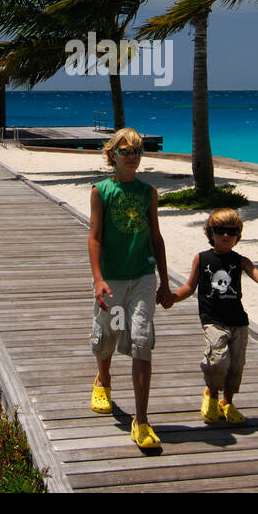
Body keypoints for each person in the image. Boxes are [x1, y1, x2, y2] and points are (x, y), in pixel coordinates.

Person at [88, 128, 171, 449]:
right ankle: (104, 380)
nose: (132, 156)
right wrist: (98, 279)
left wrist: (164, 280)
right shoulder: (101, 191)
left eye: (137, 151)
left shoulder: (148, 192)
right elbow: (94, 237)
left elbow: (157, 238)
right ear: (113, 155)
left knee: (141, 341)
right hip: (112, 277)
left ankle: (141, 420)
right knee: (106, 335)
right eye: (125, 151)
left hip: (142, 277)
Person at [166, 209, 258, 425]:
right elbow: (190, 288)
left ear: (238, 235)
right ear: (211, 233)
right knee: (217, 360)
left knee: (236, 366)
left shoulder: (240, 260)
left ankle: (227, 402)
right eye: (220, 231)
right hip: (213, 320)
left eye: (232, 231)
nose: (226, 236)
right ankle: (211, 394)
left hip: (238, 320)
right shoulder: (202, 259)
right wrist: (171, 297)